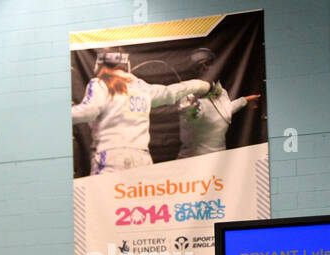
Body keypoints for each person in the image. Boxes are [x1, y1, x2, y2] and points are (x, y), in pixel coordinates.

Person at [72, 50, 211, 175]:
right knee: (138, 202)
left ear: (101, 67)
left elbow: (88, 112)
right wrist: (198, 85)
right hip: (142, 159)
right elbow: (170, 93)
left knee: (103, 201)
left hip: (111, 157)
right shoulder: (143, 88)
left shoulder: (100, 83)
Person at [176, 49, 261, 158]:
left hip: (218, 159)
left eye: (208, 63)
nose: (205, 68)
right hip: (194, 159)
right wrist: (191, 110)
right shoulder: (188, 94)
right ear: (194, 70)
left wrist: (244, 101)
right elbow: (193, 116)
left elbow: (221, 111)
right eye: (199, 66)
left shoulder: (219, 91)